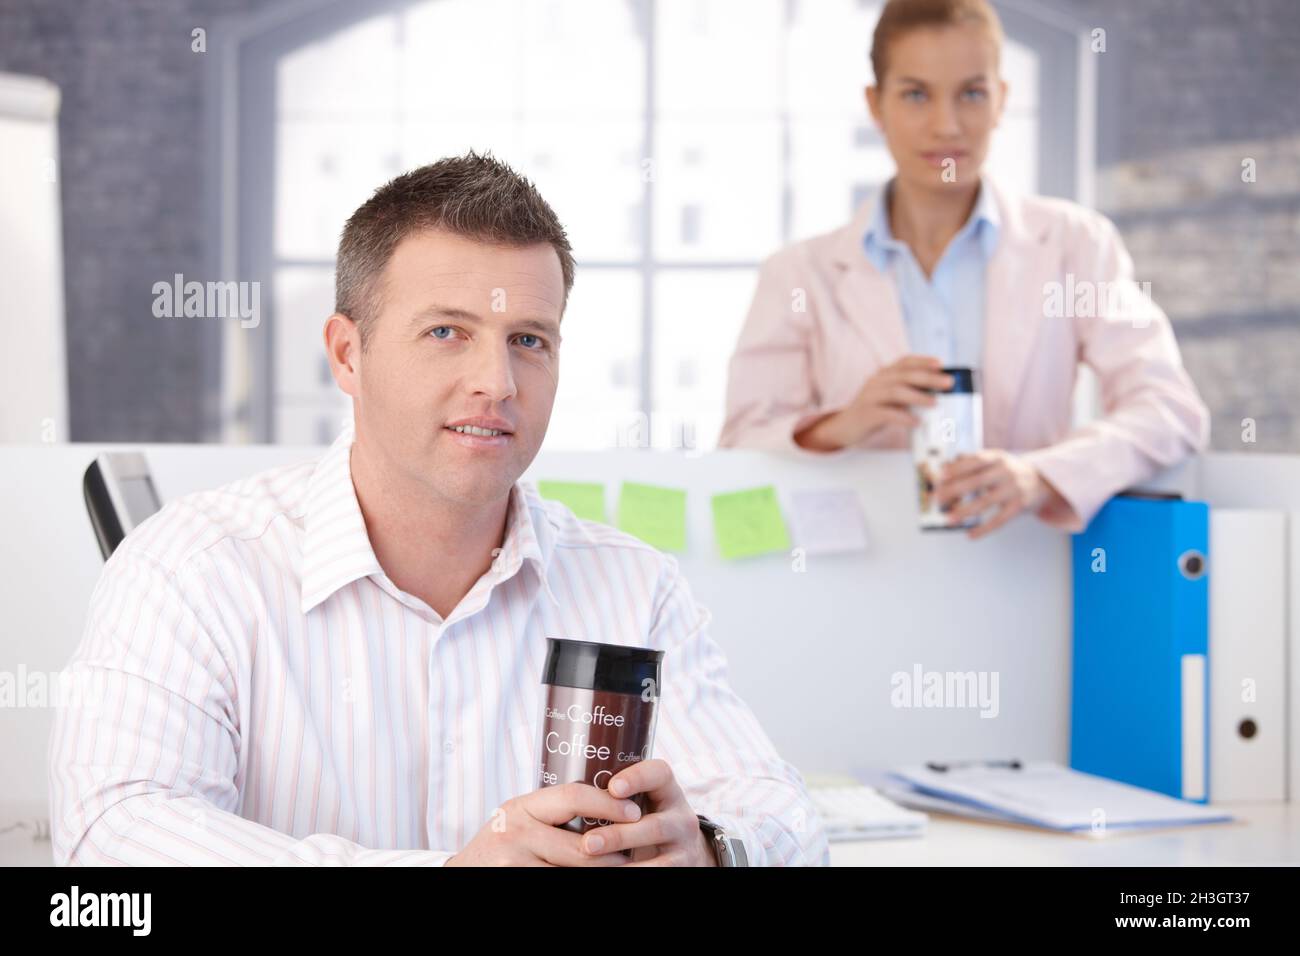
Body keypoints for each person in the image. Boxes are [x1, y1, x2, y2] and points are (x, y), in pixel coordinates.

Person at [49, 152, 828, 867]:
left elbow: (780, 808)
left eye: (529, 339)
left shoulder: (633, 587)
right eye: (447, 331)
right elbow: (111, 830)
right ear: (348, 354)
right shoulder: (190, 569)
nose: (498, 381)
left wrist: (711, 851)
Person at [719, 0, 1209, 537]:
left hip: (1025, 572)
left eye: (972, 94)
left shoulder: (1074, 245)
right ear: (875, 105)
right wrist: (841, 425)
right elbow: (742, 441)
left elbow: (1170, 410)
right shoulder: (799, 274)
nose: (946, 125)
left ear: (1001, 101)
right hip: (856, 580)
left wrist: (1041, 474)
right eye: (915, 94)